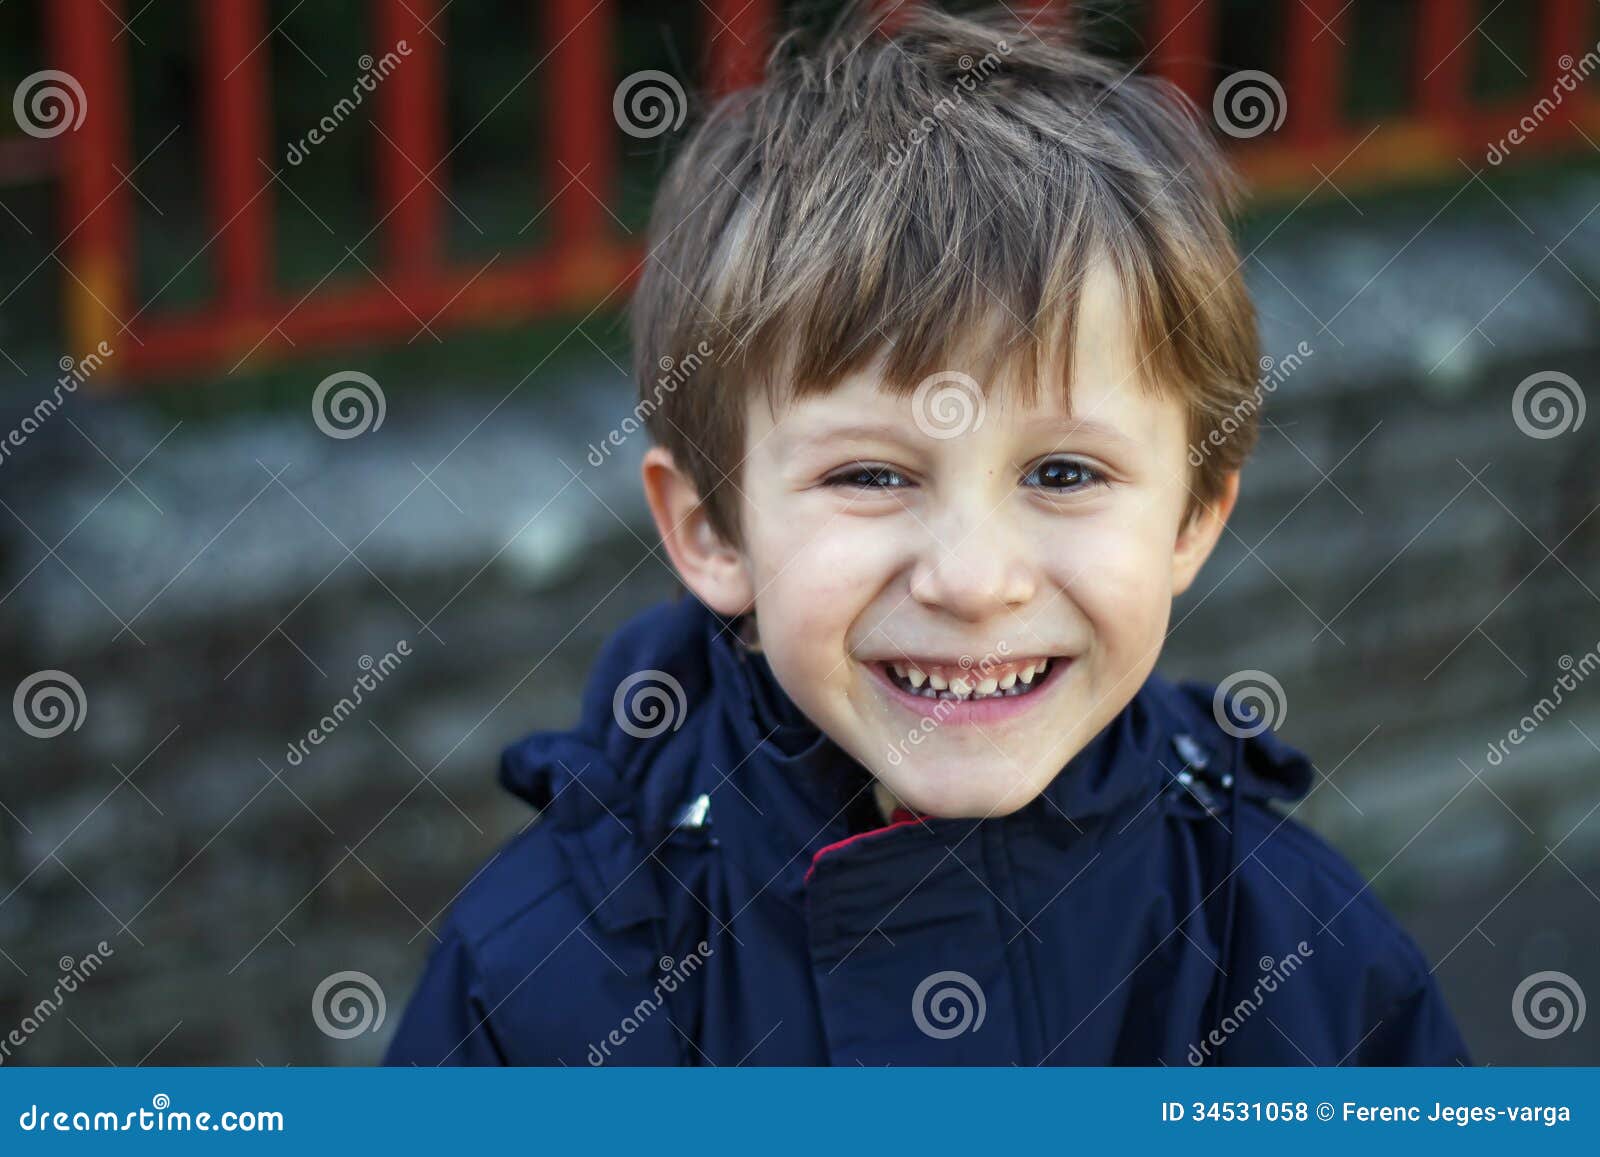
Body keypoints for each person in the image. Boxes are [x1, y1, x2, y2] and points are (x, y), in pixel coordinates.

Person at [385, 2, 1471, 1066]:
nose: (972, 579)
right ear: (711, 528)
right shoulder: (540, 983)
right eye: (869, 474)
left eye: (1062, 471)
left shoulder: (1302, 958)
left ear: (1191, 517)